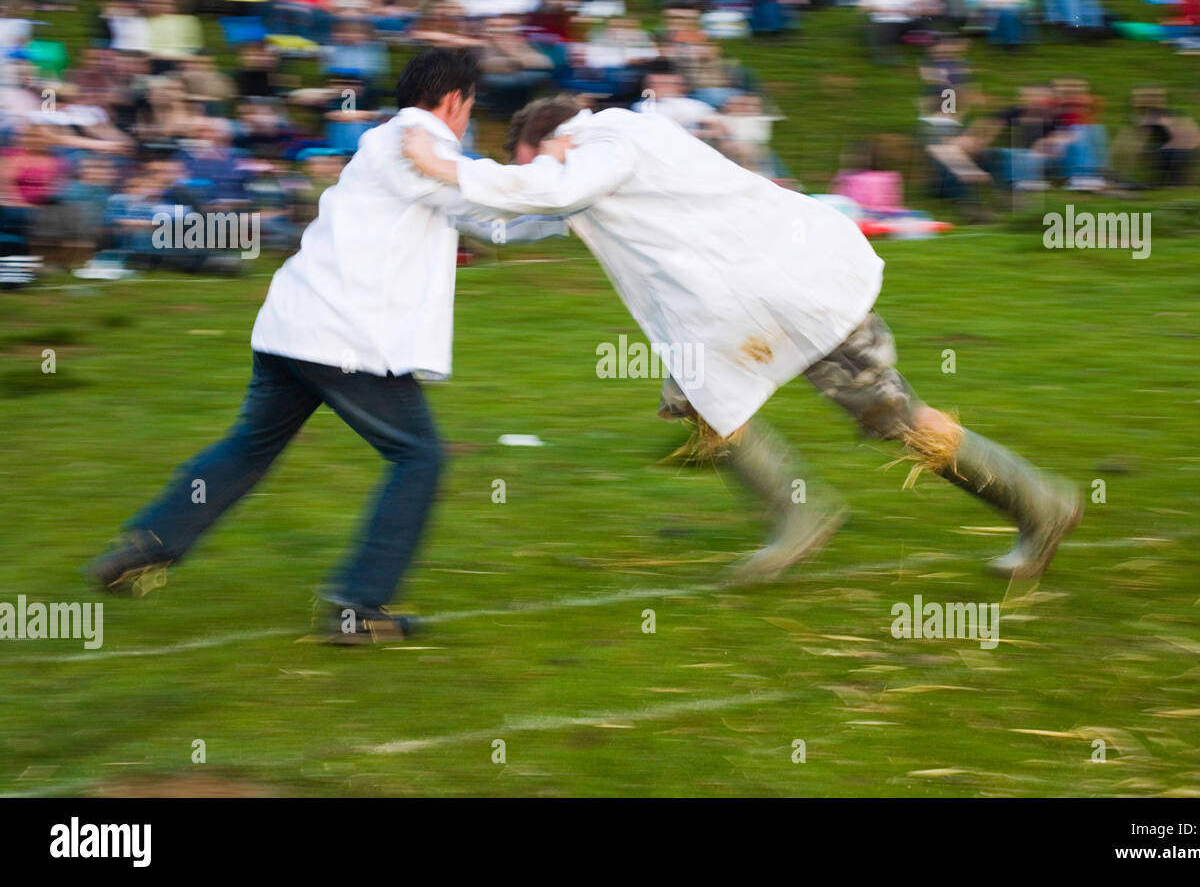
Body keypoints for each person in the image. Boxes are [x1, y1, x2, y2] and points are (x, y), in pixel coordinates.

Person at [400, 96, 1081, 584]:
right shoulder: (581, 175)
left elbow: (546, 194)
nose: (537, 177)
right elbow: (518, 219)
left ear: (549, 141)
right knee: (699, 399)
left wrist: (444, 165)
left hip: (796, 286)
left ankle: (1039, 503)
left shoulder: (608, 138)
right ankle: (800, 514)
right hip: (742, 310)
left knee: (894, 418)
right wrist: (426, 196)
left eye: (533, 165)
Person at [83, 49, 565, 644]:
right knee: (420, 459)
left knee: (248, 449)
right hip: (344, 337)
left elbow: (488, 219)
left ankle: (147, 544)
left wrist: (568, 208)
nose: (467, 120)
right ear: (454, 100)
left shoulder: (391, 142)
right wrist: (566, 187)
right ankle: (356, 607)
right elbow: (489, 203)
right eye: (470, 106)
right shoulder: (421, 141)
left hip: (292, 326)